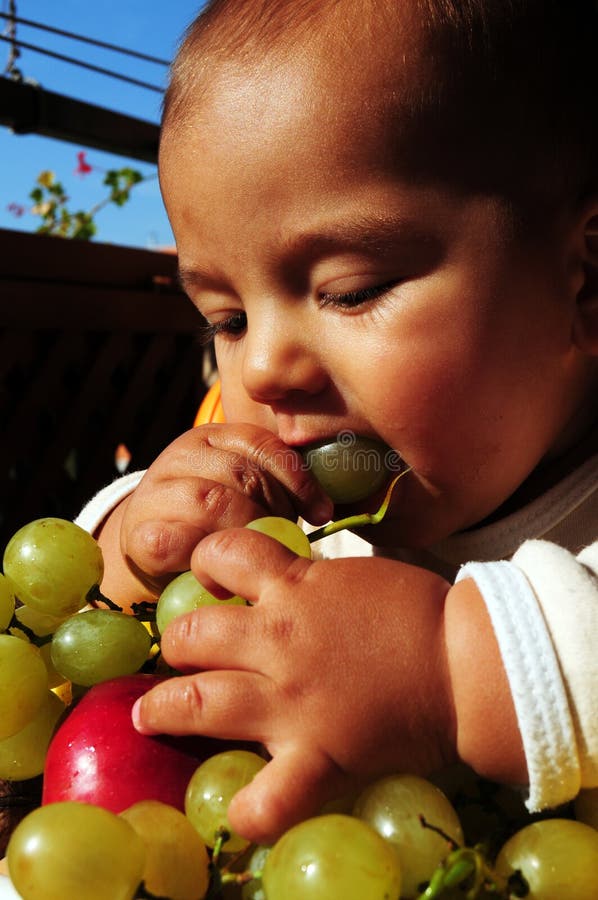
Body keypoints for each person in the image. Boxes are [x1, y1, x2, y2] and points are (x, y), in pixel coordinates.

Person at [76, 0, 598, 846]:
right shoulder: (312, 515)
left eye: (349, 291)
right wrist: (135, 545)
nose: (260, 370)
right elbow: (89, 598)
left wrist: (449, 674)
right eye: (229, 319)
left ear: (583, 280)